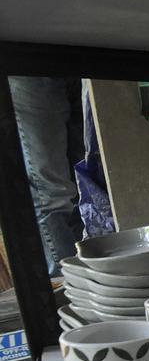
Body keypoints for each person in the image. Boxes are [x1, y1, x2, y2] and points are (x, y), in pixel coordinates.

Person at [8, 77, 84, 276]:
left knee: (84, 182)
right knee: (50, 191)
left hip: (78, 59)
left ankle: (86, 281)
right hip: (26, 68)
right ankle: (66, 284)